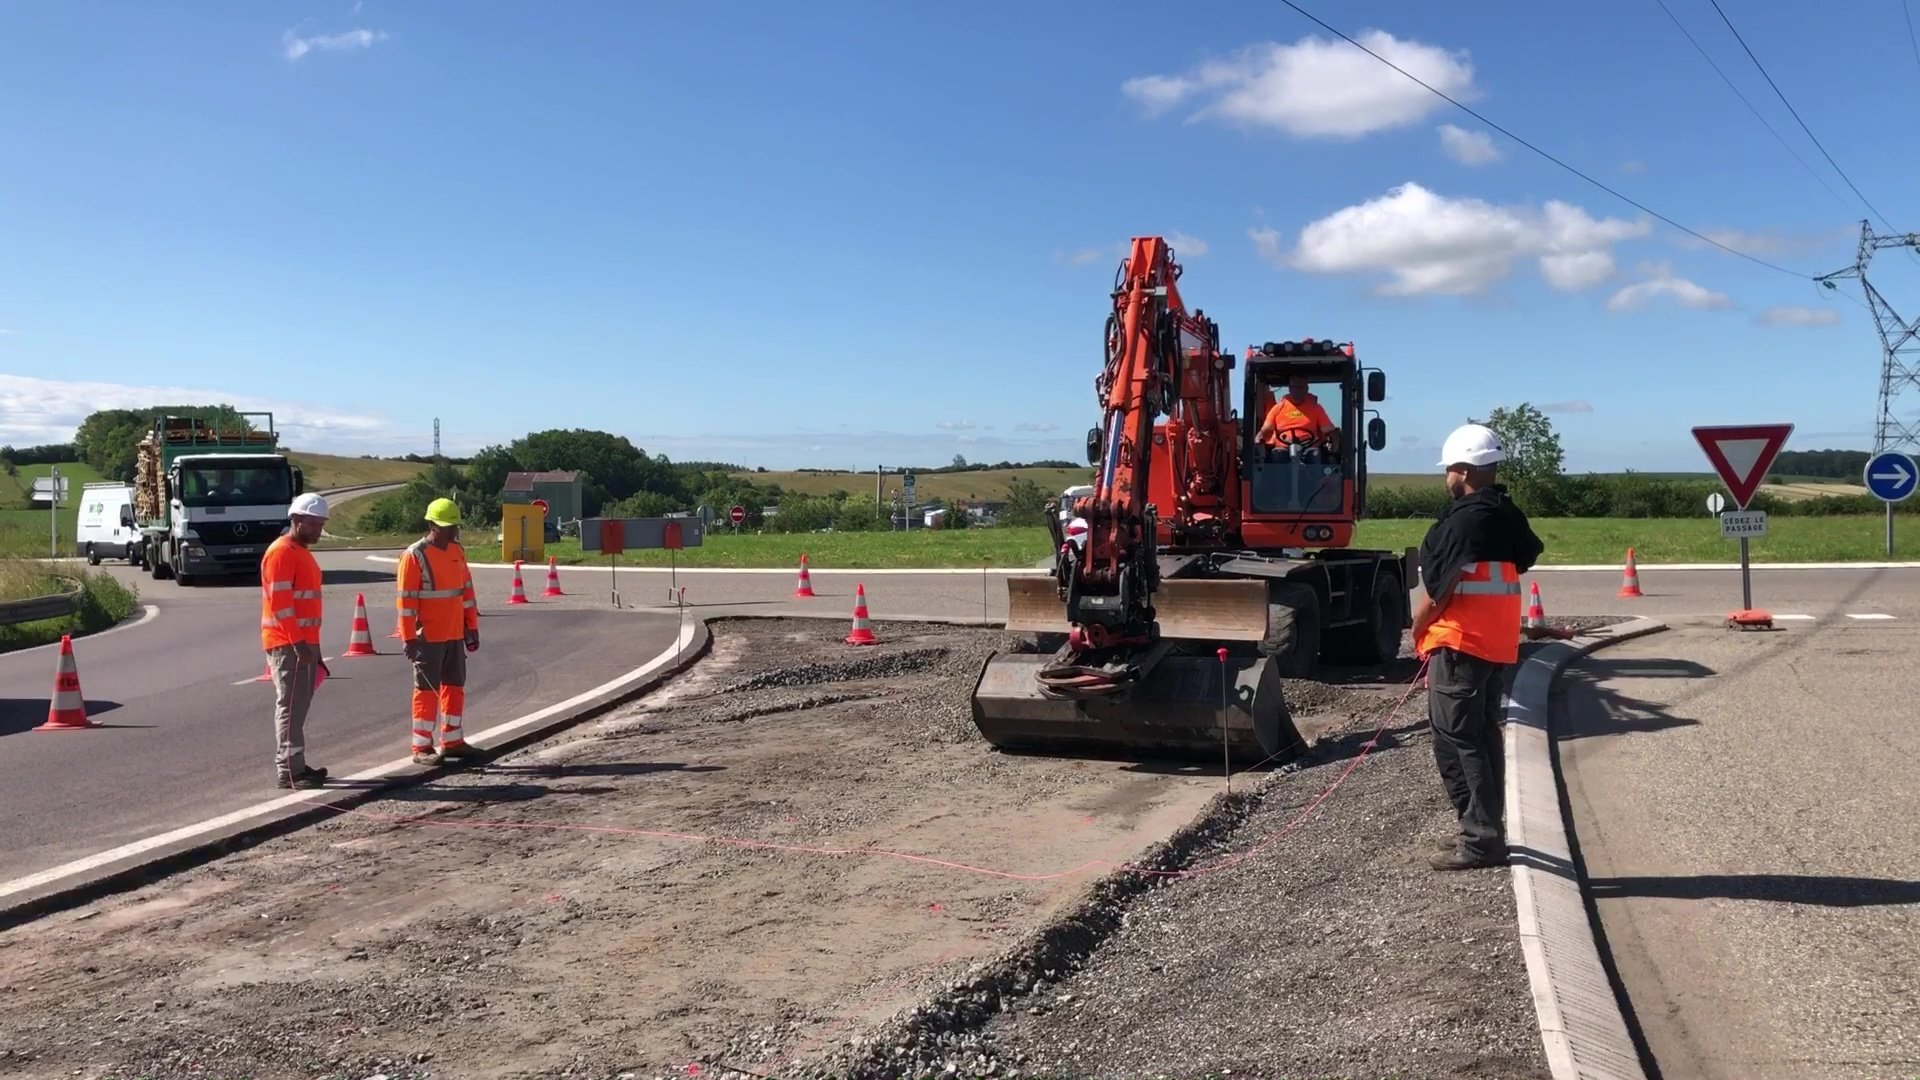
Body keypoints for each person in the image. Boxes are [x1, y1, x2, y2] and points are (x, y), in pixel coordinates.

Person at [1412, 423, 1543, 871]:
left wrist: (1416, 627)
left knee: (1458, 742)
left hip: (1460, 644)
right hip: (1494, 645)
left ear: (1463, 470)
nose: (1446, 476)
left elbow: (1438, 591)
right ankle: (1481, 829)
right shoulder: (1506, 516)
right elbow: (1522, 558)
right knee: (1483, 737)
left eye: (1449, 469)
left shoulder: (1463, 522)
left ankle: (1480, 839)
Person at [397, 497, 481, 765]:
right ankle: (422, 747)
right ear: (432, 525)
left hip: (454, 634)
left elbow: (466, 592)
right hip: (428, 637)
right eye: (446, 527)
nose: (452, 532)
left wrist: (472, 627)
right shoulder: (415, 555)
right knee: (426, 690)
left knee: (454, 687)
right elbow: (406, 602)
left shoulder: (457, 551)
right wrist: (409, 637)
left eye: (454, 527)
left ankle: (452, 740)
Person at [261, 492, 332, 789]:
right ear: (296, 520)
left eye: (321, 525)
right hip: (289, 643)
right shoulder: (282, 552)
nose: (318, 530)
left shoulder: (300, 552)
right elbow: (281, 605)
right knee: (290, 705)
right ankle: (289, 771)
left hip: (302, 642)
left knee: (298, 706)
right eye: (313, 524)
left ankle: (296, 766)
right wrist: (299, 643)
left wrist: (311, 646)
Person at [1256, 374, 1339, 461]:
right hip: (1283, 448)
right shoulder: (1278, 408)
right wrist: (1258, 438)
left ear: (1306, 389)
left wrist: (1335, 445)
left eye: (1300, 388)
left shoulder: (1316, 408)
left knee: (1315, 454)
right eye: (1294, 387)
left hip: (1309, 448)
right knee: (1277, 455)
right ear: (1289, 388)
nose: (1296, 391)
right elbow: (1265, 430)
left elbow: (1329, 430)